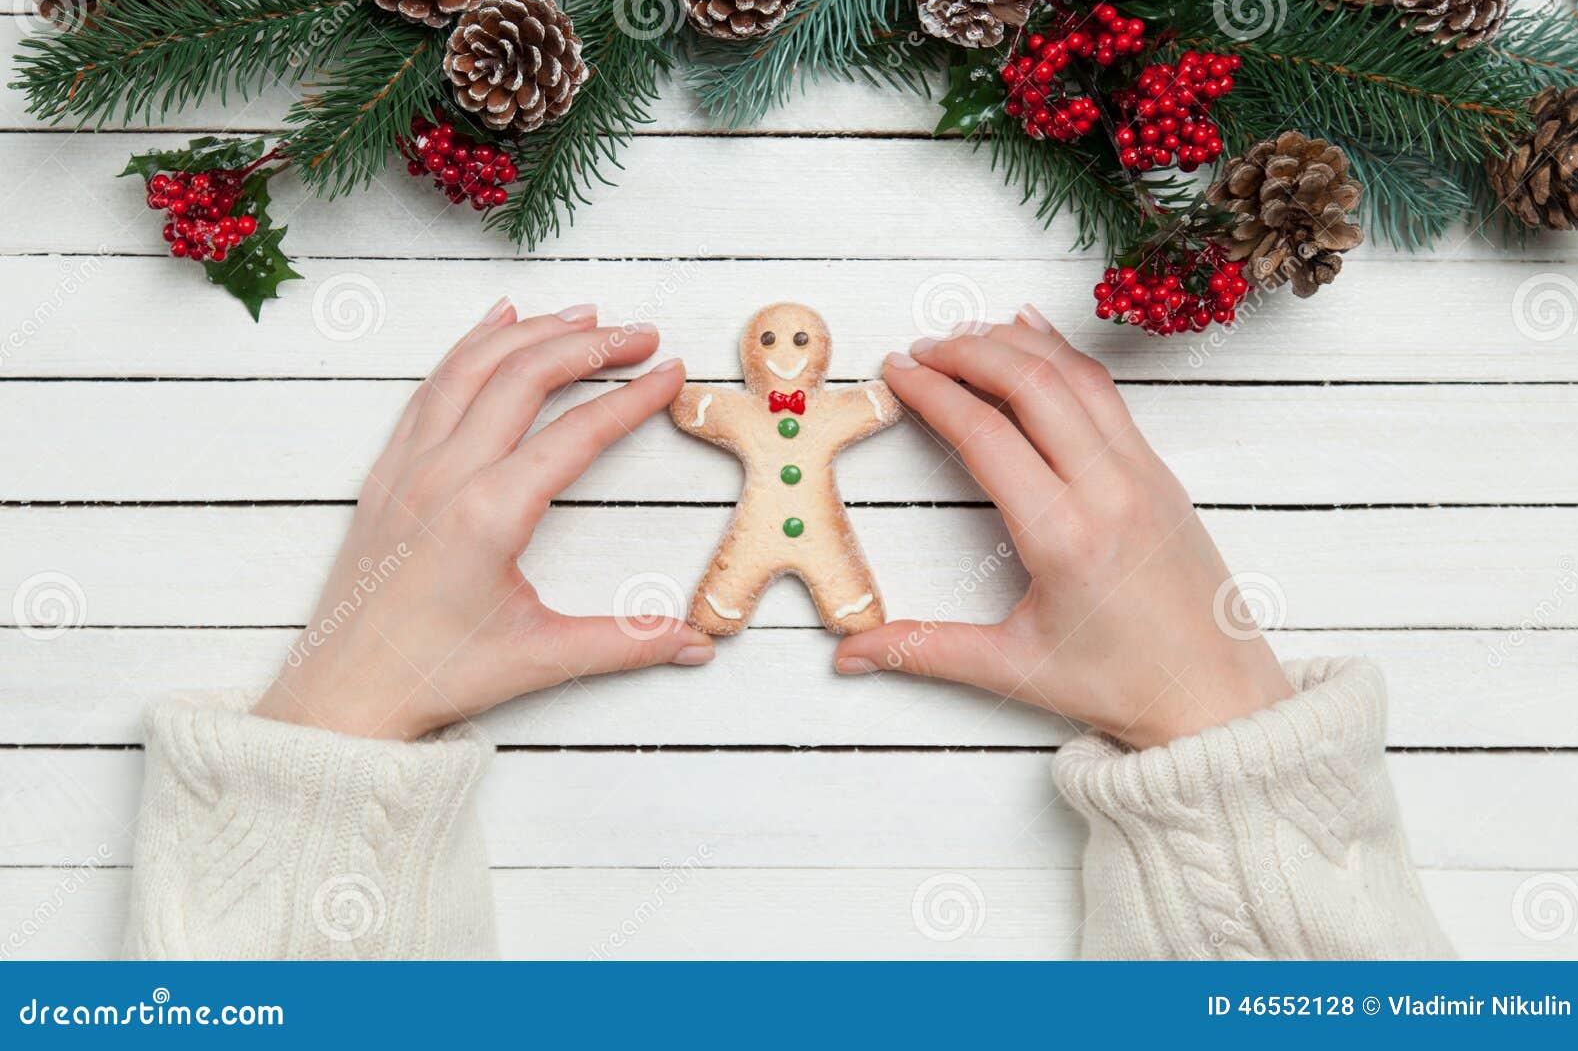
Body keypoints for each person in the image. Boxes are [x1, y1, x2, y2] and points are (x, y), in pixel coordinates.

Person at [122, 300, 1451, 960]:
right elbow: (707, 412)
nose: (784, 356)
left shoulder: (825, 413)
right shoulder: (746, 414)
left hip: (816, 542)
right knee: (755, 569)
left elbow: (868, 407)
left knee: (814, 576)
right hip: (769, 534)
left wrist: (321, 766)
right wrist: (1233, 774)